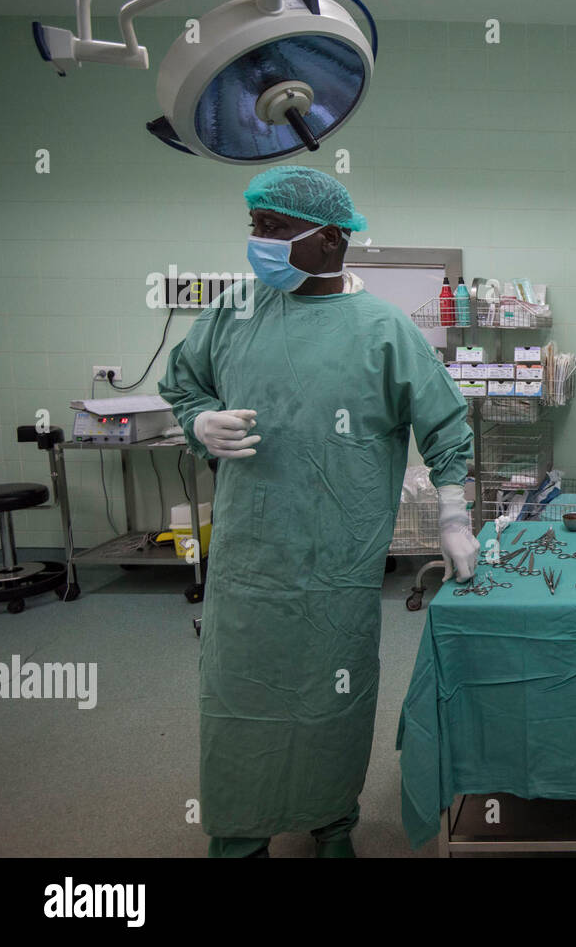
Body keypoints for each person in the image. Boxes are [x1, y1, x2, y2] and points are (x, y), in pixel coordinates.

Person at [158, 165, 477, 857]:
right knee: (239, 700)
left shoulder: (384, 329)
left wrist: (453, 516)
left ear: (330, 239)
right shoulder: (235, 311)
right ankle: (238, 834)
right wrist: (199, 421)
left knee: (332, 700)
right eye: (255, 226)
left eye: (274, 228)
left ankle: (332, 820)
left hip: (338, 564)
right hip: (249, 563)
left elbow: (446, 427)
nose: (258, 241)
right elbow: (183, 384)